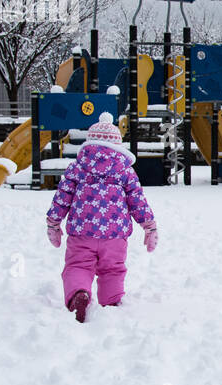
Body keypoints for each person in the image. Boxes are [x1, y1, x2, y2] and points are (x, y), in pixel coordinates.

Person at [46, 113, 157, 322]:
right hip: (115, 236)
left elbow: (62, 197)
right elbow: (137, 200)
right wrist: (149, 226)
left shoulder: (77, 167)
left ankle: (79, 293)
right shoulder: (125, 170)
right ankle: (112, 302)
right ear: (117, 145)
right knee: (112, 270)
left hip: (82, 232)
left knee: (78, 266)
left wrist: (53, 223)